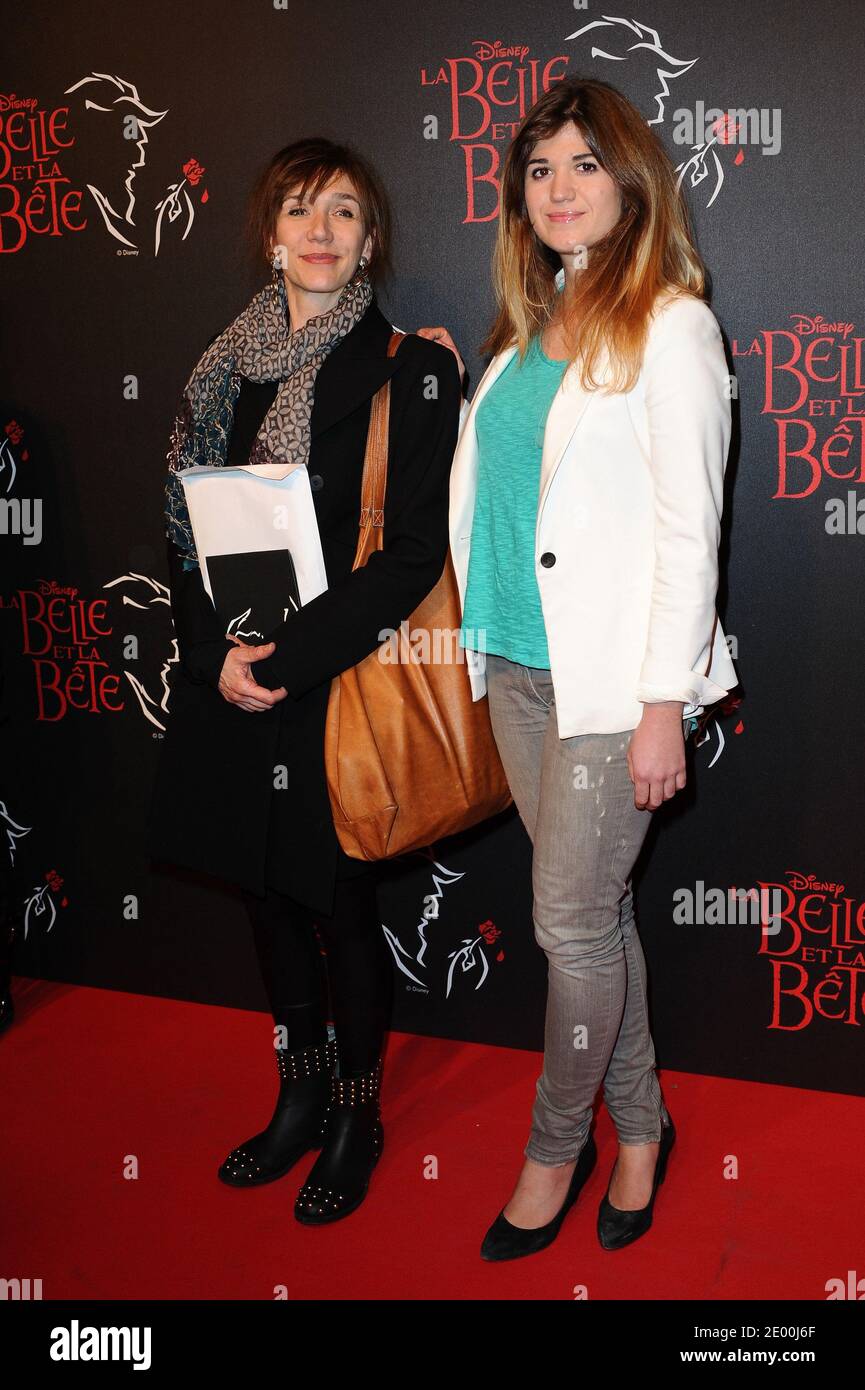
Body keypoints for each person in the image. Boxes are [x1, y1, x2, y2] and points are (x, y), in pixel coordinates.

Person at [421, 77, 738, 1260]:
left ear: (631, 182)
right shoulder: (519, 337)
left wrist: (664, 703)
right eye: (540, 169)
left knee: (566, 923)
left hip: (611, 688)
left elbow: (686, 532)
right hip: (512, 666)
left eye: (583, 166)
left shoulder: (673, 324)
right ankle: (643, 1125)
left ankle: (557, 1145)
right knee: (593, 921)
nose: (558, 190)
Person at [148, 138, 461, 1225]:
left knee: (338, 902)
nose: (318, 230)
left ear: (370, 239)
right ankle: (298, 1091)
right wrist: (214, 656)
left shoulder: (410, 369)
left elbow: (413, 556)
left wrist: (282, 661)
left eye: (341, 211)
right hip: (236, 676)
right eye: (296, 210)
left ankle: (356, 1116)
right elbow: (189, 529)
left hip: (338, 684)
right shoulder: (221, 370)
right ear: (270, 235)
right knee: (263, 892)